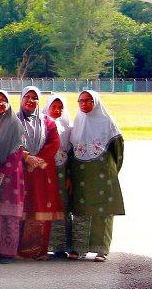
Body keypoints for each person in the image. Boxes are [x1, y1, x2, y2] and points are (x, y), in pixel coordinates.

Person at [67, 90, 124, 262]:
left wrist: (111, 171)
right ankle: (79, 248)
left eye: (88, 101)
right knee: (80, 210)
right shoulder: (77, 121)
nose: (84, 104)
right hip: (81, 174)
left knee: (103, 211)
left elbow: (118, 151)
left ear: (96, 102)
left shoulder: (108, 122)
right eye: (81, 101)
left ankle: (101, 250)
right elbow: (71, 150)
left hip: (102, 174)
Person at [17, 87, 62, 260]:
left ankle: (40, 250)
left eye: (34, 98)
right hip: (20, 170)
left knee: (41, 207)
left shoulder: (48, 122)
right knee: (22, 208)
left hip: (42, 172)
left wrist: (36, 161)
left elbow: (54, 143)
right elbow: (9, 142)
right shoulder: (13, 121)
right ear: (21, 99)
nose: (30, 100)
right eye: (26, 97)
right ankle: (20, 249)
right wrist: (26, 158)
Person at [0, 90, 26, 263]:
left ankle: (6, 252)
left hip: (10, 175)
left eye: (4, 101)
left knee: (7, 214)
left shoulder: (14, 124)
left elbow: (16, 154)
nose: (0, 104)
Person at [46, 95, 75, 258]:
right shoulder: (42, 124)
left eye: (60, 107)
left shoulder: (68, 128)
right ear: (48, 107)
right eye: (54, 107)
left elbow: (72, 154)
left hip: (63, 172)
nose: (57, 110)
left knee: (63, 206)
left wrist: (70, 175)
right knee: (47, 206)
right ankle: (47, 244)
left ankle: (64, 245)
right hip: (47, 171)